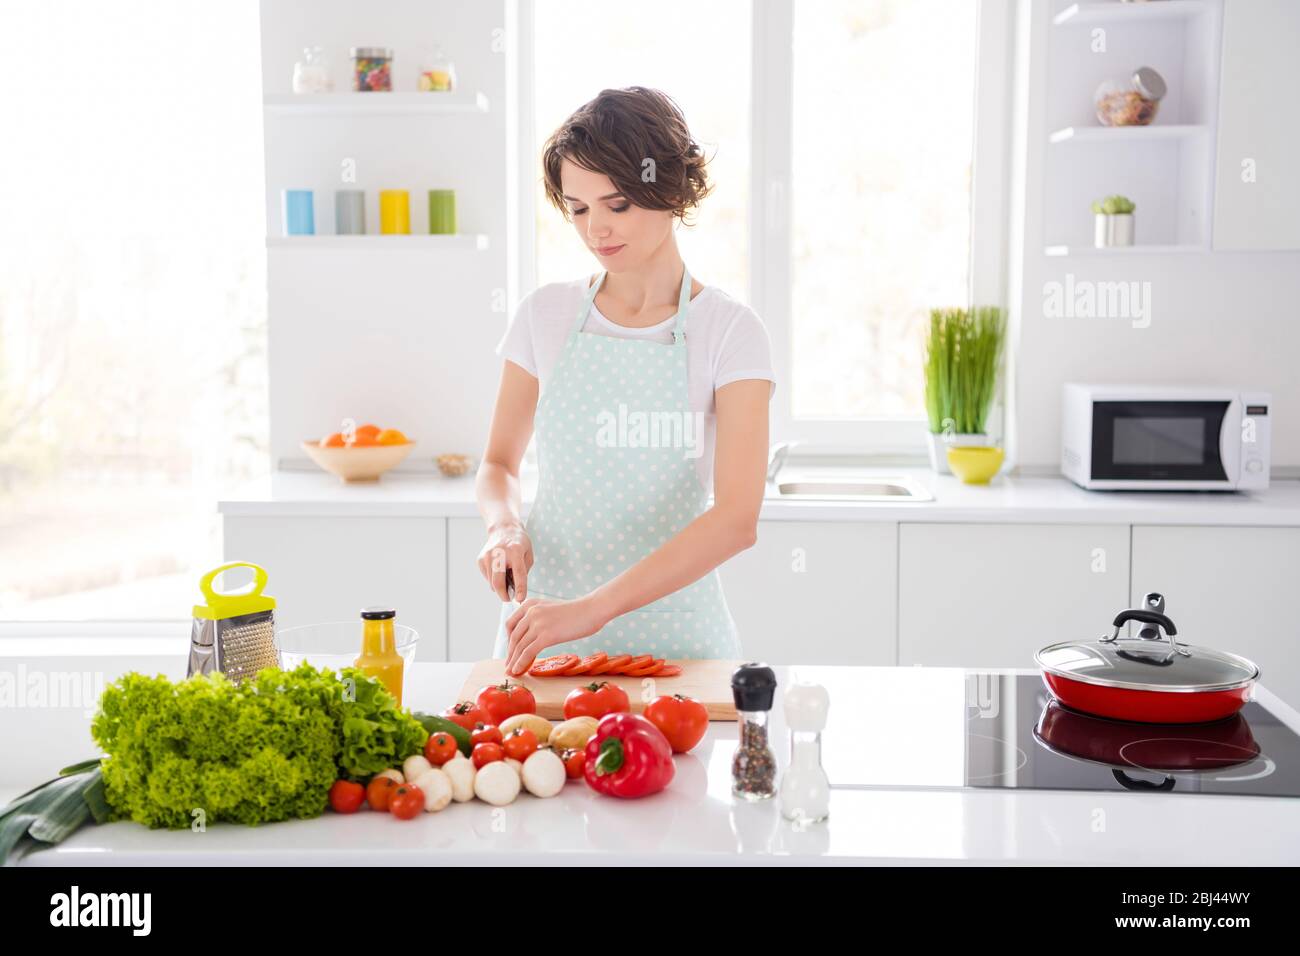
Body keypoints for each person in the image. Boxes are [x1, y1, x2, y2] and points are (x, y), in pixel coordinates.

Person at [476, 86, 775, 676]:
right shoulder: (545, 315)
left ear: (670, 191)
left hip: (682, 649)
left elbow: (738, 519)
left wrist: (591, 612)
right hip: (545, 638)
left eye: (618, 205)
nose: (597, 230)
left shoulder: (730, 331)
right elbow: (499, 466)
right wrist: (503, 526)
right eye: (578, 208)